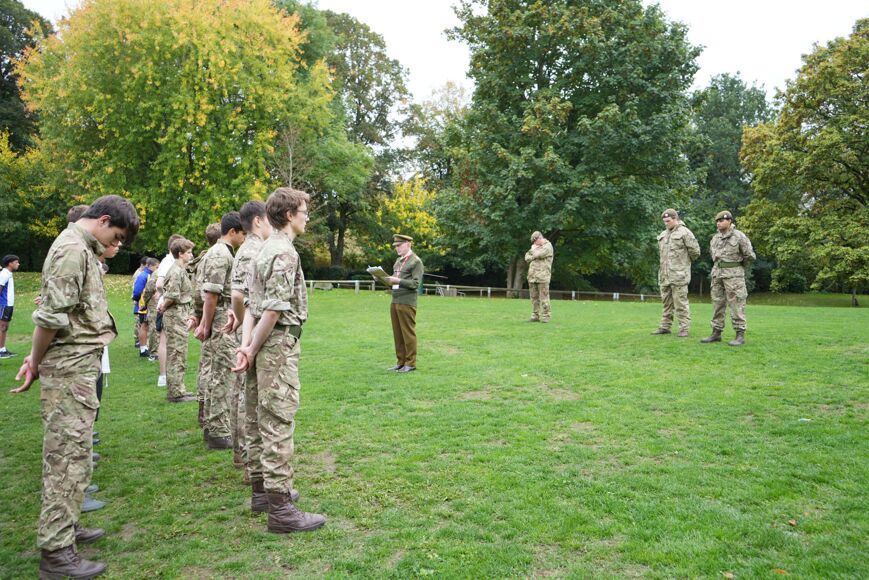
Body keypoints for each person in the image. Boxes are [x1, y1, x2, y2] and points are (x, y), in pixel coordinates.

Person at [10, 195, 139, 579]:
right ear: (102, 221)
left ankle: (66, 529)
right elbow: (50, 317)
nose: (113, 245)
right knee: (64, 460)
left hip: (78, 369)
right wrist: (34, 360)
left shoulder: (80, 249)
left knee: (76, 457)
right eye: (114, 235)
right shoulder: (71, 250)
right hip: (68, 371)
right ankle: (56, 553)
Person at [234, 186, 322, 532]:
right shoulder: (283, 253)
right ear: (288, 215)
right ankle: (281, 510)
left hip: (262, 344)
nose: (307, 217)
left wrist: (246, 347)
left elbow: (252, 309)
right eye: (303, 211)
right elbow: (271, 310)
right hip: (276, 345)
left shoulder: (265, 249)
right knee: (278, 422)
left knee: (258, 419)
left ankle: (263, 492)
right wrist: (252, 349)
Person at [226, 201, 272, 469]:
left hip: (247, 332)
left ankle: (245, 457)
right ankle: (249, 460)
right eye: (268, 220)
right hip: (250, 335)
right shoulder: (253, 251)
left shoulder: (250, 249)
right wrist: (248, 329)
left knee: (244, 395)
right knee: (247, 397)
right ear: (258, 221)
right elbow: (239, 295)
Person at [194, 212, 245, 449]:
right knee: (222, 374)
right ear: (232, 232)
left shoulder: (220, 253)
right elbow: (211, 295)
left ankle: (214, 427)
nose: (245, 238)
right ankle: (217, 430)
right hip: (221, 319)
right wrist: (205, 324)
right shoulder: (220, 255)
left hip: (221, 317)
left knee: (218, 372)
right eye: (243, 233)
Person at [702, 211, 756, 346]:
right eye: (717, 221)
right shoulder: (715, 238)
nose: (718, 223)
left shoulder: (739, 237)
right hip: (717, 274)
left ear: (729, 221)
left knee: (736, 304)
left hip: (734, 276)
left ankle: (740, 334)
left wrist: (738, 267)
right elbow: (713, 256)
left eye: (721, 221)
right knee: (717, 304)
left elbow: (750, 256)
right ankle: (716, 333)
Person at [189, 223, 221, 426]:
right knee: (211, 367)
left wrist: (197, 317)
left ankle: (203, 409)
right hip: (212, 319)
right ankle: (207, 412)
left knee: (206, 365)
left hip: (203, 317)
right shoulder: (215, 259)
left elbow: (196, 293)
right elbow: (208, 294)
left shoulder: (202, 260)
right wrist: (204, 323)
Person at [158, 238, 197, 403]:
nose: (191, 255)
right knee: (176, 353)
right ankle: (175, 392)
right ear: (180, 254)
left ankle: (179, 388)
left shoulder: (181, 270)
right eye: (188, 252)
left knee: (180, 353)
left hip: (179, 314)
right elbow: (173, 295)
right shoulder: (176, 271)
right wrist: (164, 306)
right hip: (175, 315)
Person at [651, 209, 700, 337]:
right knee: (666, 303)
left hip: (679, 275)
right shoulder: (663, 234)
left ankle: (684, 328)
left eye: (668, 221)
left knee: (680, 303)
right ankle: (665, 326)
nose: (666, 223)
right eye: (664, 221)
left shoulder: (685, 233)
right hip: (664, 275)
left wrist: (683, 264)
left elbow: (695, 252)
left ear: (675, 219)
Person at [385, 234, 424, 372]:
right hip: (395, 300)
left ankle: (410, 363)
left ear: (408, 244)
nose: (397, 248)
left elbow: (415, 284)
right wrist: (381, 278)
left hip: (407, 302)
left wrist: (398, 281)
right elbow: (393, 280)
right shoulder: (398, 261)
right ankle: (400, 362)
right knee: (398, 334)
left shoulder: (415, 261)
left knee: (408, 334)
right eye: (395, 246)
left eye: (399, 245)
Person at [154, 234, 184, 387]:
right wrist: (168, 295)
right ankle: (163, 376)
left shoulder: (172, 262)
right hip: (166, 306)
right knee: (165, 342)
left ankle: (168, 376)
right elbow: (159, 283)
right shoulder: (168, 262)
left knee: (169, 342)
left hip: (167, 305)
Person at [132, 258, 159, 358]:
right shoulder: (145, 275)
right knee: (145, 325)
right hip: (145, 305)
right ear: (151, 266)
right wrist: (138, 300)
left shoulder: (148, 275)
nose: (157, 269)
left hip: (146, 305)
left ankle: (144, 348)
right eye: (156, 267)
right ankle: (143, 349)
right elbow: (137, 290)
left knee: (145, 325)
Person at [525, 231, 554, 323]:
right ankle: (535, 315)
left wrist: (533, 251)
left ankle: (546, 316)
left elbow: (538, 254)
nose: (533, 243)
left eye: (534, 241)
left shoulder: (548, 246)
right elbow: (527, 257)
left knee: (544, 298)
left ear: (539, 238)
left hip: (543, 276)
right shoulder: (535, 247)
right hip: (532, 276)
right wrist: (533, 252)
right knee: (534, 298)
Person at [0, 254, 20, 358]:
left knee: (4, 327)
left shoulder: (8, 273)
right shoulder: (4, 274)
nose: (18, 264)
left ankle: (2, 349)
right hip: (4, 304)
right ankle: (0, 351)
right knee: (2, 327)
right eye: (16, 262)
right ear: (10, 263)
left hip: (8, 305)